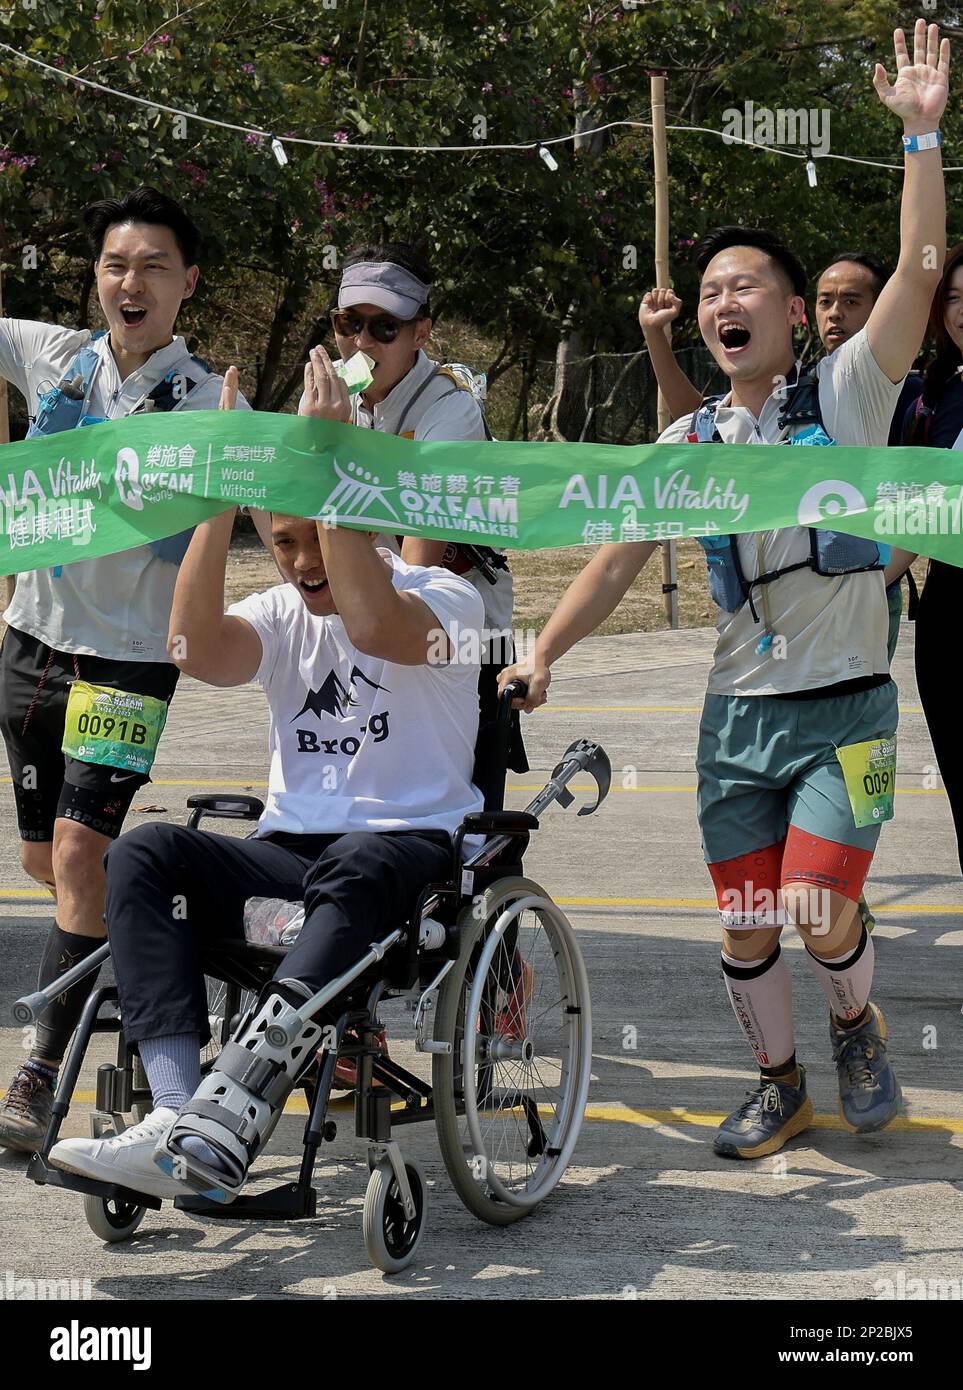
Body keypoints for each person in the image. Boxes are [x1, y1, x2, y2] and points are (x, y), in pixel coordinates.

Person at [501, 19, 948, 1161]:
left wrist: (922, 139)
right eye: (709, 291)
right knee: (749, 923)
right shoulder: (690, 437)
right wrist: (545, 649)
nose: (722, 301)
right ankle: (778, 1082)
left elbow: (921, 272)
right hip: (736, 717)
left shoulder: (848, 395)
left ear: (794, 315)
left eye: (746, 285)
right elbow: (608, 555)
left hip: (848, 708)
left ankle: (856, 1022)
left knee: (812, 906)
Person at [47, 345, 486, 1200]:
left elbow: (371, 625)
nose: (302, 561)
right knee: (141, 852)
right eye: (282, 542)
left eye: (318, 535)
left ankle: (240, 1098)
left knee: (358, 861)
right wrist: (216, 495)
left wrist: (330, 479)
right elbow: (192, 649)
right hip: (293, 850)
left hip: (410, 849)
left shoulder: (445, 598)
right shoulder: (281, 612)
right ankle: (177, 1114)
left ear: (359, 515)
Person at [0, 187, 249, 1153]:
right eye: (115, 265)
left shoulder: (209, 404)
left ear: (187, 284)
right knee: (49, 865)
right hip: (29, 644)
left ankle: (37, 1073)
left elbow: (280, 502)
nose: (130, 281)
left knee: (77, 857)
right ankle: (140, 959)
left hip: (129, 662)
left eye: (152, 266)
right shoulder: (55, 359)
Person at [290, 242, 526, 769]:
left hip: (458, 627)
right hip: (373, 610)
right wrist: (313, 442)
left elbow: (421, 561)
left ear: (422, 332)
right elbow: (301, 522)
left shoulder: (450, 409)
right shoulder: (339, 402)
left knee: (461, 795)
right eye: (349, 324)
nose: (361, 343)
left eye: (384, 328)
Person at [641, 251, 921, 661]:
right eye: (825, 301)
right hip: (767, 635)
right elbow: (699, 428)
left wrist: (872, 580)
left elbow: (924, 498)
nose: (835, 314)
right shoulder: (794, 394)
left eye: (852, 301)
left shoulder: (885, 387)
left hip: (864, 588)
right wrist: (655, 338)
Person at [893, 242, 963, 876]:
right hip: (950, 618)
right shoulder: (931, 394)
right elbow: (913, 514)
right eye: (954, 298)